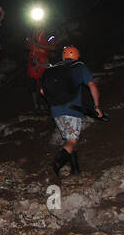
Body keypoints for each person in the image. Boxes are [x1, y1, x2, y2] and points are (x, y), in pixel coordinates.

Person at [43, 46, 101, 176]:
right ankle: (56, 164)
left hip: (56, 110)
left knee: (69, 140)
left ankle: (75, 169)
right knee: (72, 141)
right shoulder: (80, 67)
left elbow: (43, 91)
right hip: (72, 110)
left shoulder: (54, 68)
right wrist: (97, 106)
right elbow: (92, 85)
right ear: (77, 56)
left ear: (63, 56)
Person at [26, 29, 52, 112]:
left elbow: (52, 48)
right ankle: (36, 104)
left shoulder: (46, 38)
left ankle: (44, 103)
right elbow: (26, 47)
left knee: (43, 86)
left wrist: (39, 45)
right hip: (33, 70)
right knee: (33, 88)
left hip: (42, 68)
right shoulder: (30, 39)